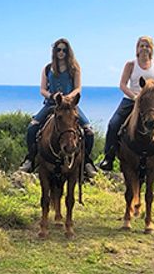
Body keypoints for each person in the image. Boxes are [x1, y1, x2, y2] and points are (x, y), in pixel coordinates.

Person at [98, 35, 154, 171]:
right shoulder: (131, 65)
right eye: (141, 45)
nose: (144, 48)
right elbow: (123, 84)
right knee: (113, 124)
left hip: (152, 102)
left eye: (147, 46)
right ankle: (109, 157)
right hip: (131, 99)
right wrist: (135, 97)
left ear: (151, 49)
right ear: (137, 48)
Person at [18, 38, 97, 177]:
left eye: (64, 50)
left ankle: (86, 162)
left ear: (68, 52)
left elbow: (78, 88)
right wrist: (52, 96)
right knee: (32, 128)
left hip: (70, 106)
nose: (61, 53)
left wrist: (68, 97)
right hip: (52, 104)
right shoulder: (48, 68)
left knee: (88, 131)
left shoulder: (74, 68)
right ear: (54, 51)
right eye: (58, 50)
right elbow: (42, 89)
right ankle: (30, 159)